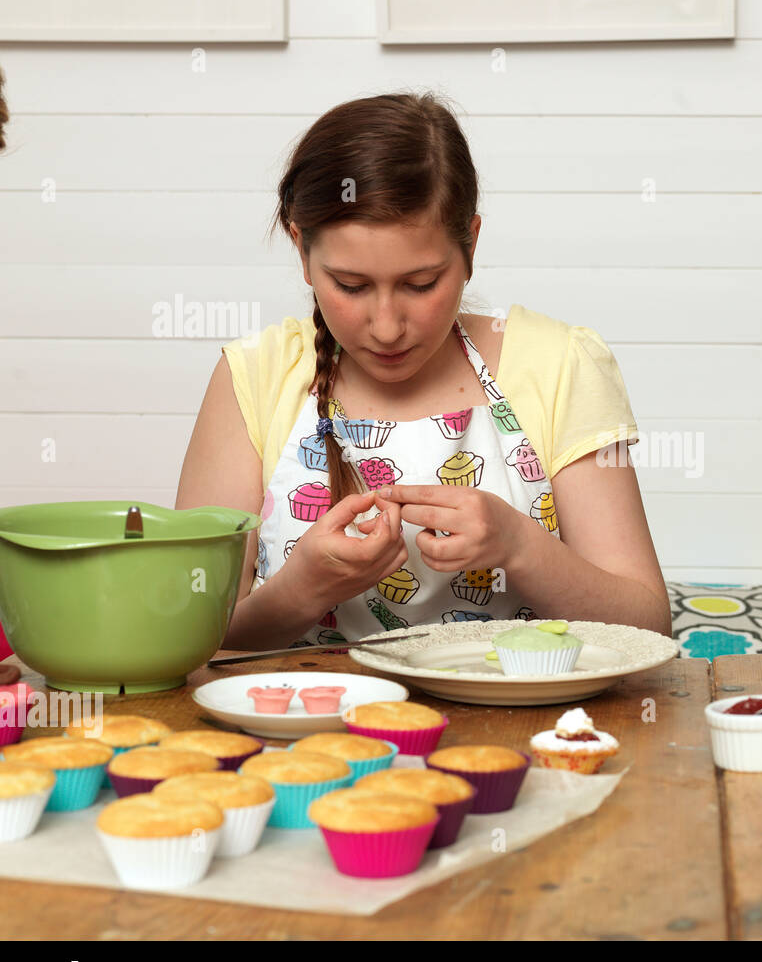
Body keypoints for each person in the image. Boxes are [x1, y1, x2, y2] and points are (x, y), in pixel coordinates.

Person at [176, 93, 671, 648]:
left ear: (471, 244)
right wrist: (303, 588)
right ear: (301, 250)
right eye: (351, 285)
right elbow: (188, 636)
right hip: (310, 730)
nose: (387, 327)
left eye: (420, 284)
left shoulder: (559, 364)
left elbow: (646, 626)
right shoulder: (253, 377)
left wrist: (519, 547)